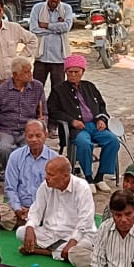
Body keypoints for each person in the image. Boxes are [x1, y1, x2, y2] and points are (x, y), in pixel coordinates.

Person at [47, 54, 119, 191]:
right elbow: (53, 110)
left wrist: (102, 119)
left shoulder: (90, 86)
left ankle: (100, 177)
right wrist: (71, 121)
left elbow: (102, 106)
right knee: (84, 143)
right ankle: (89, 178)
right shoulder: (59, 90)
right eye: (70, 72)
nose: (73, 75)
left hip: (94, 125)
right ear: (66, 72)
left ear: (82, 72)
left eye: (76, 72)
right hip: (76, 129)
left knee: (112, 141)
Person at [20, 157, 97, 267]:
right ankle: (58, 252)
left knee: (75, 250)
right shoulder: (45, 186)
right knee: (21, 232)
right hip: (51, 233)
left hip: (77, 235)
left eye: (51, 175)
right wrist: (30, 227)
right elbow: (36, 210)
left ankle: (45, 252)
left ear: (65, 176)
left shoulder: (82, 187)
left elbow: (85, 221)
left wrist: (73, 240)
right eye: (46, 173)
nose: (46, 178)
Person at [0, 57, 47, 165]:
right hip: (6, 130)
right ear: (16, 75)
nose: (30, 74)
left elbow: (44, 113)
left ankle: (25, 176)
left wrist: (43, 125)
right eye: (26, 72)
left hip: (28, 130)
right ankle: (12, 174)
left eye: (30, 71)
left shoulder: (37, 87)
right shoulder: (1, 90)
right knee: (4, 149)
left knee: (33, 147)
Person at [0, 120, 59, 230]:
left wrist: (37, 210)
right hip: (20, 208)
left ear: (45, 135)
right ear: (25, 137)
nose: (34, 140)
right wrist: (18, 209)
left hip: (45, 209)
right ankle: (33, 223)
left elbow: (58, 191)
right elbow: (10, 188)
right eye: (30, 136)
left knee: (62, 213)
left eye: (38, 135)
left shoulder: (55, 159)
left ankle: (26, 222)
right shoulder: (15, 157)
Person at [29, 0, 74, 93]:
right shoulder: (38, 8)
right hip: (41, 57)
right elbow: (34, 29)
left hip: (59, 58)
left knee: (59, 91)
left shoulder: (66, 9)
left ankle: (55, 110)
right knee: (35, 89)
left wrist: (46, 25)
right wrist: (56, 29)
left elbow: (67, 27)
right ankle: (37, 110)